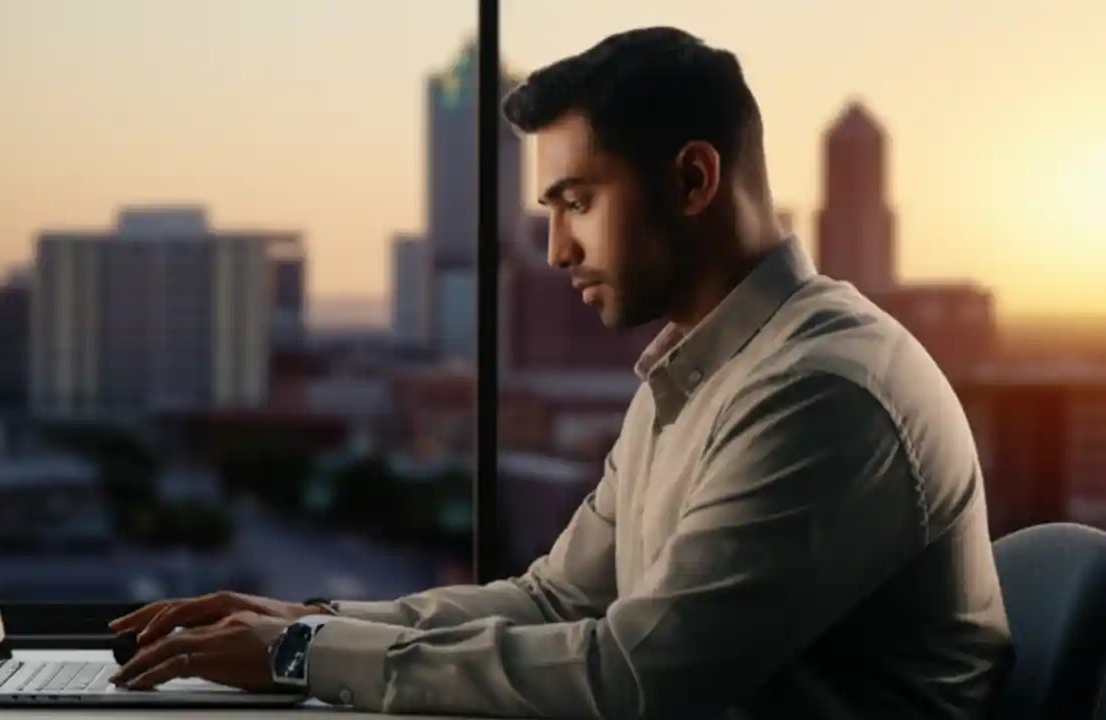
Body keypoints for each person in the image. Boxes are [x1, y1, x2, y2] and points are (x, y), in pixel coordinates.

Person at [108, 27, 1014, 718]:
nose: (555, 248)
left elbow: (634, 678)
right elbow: (556, 598)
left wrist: (303, 655)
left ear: (694, 180)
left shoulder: (821, 391)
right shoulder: (697, 374)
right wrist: (305, 619)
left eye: (577, 201)